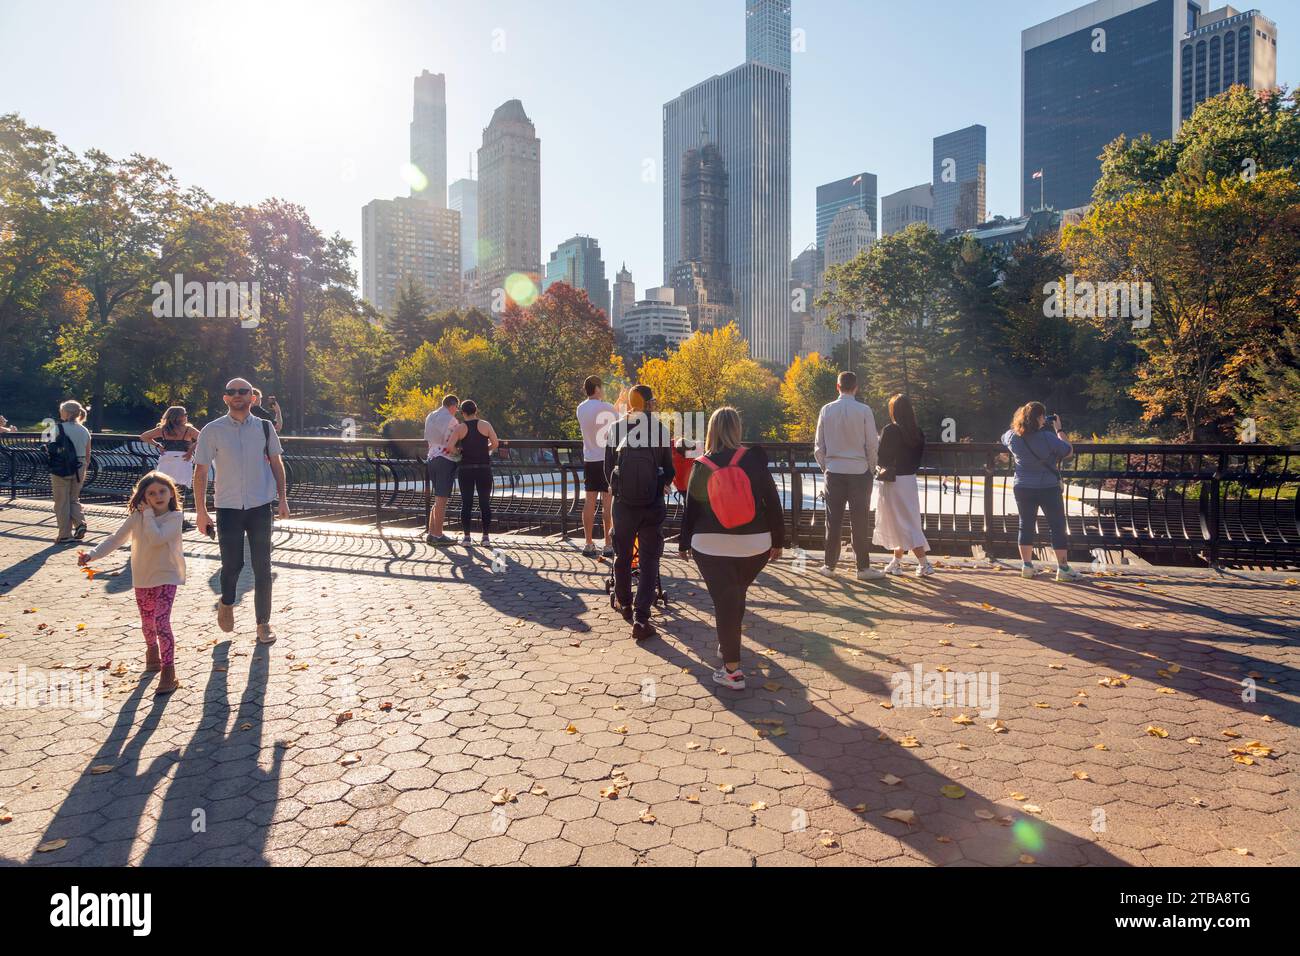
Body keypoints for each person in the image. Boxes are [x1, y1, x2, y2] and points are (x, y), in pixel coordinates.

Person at [680, 407, 785, 691]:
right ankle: (728, 645)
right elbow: (772, 501)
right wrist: (779, 540)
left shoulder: (701, 464)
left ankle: (732, 671)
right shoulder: (753, 459)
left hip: (709, 544)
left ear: (711, 430)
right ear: (737, 429)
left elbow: (691, 509)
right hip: (755, 543)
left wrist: (683, 542)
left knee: (726, 600)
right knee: (735, 594)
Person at [192, 378, 291, 644]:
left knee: (263, 567)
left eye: (243, 391)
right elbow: (200, 471)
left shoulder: (265, 427)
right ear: (225, 398)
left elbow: (276, 464)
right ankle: (226, 602)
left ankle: (263, 624)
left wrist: (282, 499)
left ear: (252, 398)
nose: (237, 395)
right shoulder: (212, 430)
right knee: (232, 565)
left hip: (260, 506)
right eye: (231, 392)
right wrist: (201, 511)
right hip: (228, 508)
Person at [78, 471, 185, 694]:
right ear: (144, 496)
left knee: (161, 621)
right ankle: (151, 653)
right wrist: (92, 555)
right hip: (143, 576)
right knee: (147, 622)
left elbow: (156, 539)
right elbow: (117, 538)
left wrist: (147, 516)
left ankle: (168, 671)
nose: (158, 496)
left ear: (171, 493)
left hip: (167, 575)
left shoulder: (175, 517)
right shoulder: (138, 516)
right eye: (152, 493)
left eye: (162, 491)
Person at [604, 384, 674, 642]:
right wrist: (659, 485)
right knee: (649, 560)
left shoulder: (615, 428)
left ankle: (625, 604)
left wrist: (620, 491)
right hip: (652, 505)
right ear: (649, 403)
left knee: (622, 556)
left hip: (622, 506)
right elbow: (669, 469)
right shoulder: (659, 430)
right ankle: (641, 618)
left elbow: (607, 469)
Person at [813, 372, 884, 580]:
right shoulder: (864, 410)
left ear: (838, 387)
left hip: (834, 471)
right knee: (860, 520)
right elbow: (872, 444)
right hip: (859, 471)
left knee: (833, 521)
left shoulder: (826, 410)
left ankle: (829, 565)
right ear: (856, 387)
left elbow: (819, 446)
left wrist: (826, 466)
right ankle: (862, 567)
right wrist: (871, 468)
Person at [1002, 401, 1083, 582]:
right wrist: (1059, 429)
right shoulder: (1048, 437)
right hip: (1048, 487)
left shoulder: (1013, 437)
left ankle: (1027, 566)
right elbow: (1068, 451)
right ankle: (1062, 568)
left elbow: (1003, 437)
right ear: (1040, 418)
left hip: (1022, 486)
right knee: (1057, 526)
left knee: (1026, 524)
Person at [873, 394, 934, 577]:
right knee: (904, 520)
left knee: (904, 523)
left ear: (894, 411)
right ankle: (896, 562)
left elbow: (881, 457)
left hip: (893, 481)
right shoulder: (918, 432)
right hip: (909, 480)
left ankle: (924, 564)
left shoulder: (891, 430)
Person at [576, 376, 617, 557]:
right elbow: (618, 422)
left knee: (589, 501)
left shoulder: (581, 408)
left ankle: (588, 543)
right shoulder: (608, 407)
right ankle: (608, 544)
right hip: (606, 460)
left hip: (589, 458)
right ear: (598, 388)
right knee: (607, 503)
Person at [449, 400, 499, 546]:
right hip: (483, 468)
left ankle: (466, 537)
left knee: (467, 503)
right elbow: (495, 443)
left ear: (463, 412)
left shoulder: (460, 428)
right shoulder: (486, 425)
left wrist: (460, 451)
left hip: (466, 469)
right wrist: (485, 449)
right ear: (476, 410)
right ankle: (485, 537)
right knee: (484, 503)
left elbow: (450, 446)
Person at [140, 406, 199, 526]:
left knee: (165, 489)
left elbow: (144, 436)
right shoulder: (188, 430)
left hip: (167, 460)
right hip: (183, 460)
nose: (186, 416)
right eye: (185, 414)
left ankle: (164, 517)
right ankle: (179, 519)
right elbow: (204, 438)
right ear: (179, 416)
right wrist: (190, 450)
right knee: (180, 490)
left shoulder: (163, 429)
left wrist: (158, 445)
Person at [49, 400, 92, 544]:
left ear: (66, 413)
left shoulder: (58, 428)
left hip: (62, 467)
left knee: (61, 501)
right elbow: (88, 454)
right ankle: (80, 523)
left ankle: (65, 535)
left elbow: (51, 449)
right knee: (73, 499)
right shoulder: (84, 430)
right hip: (80, 466)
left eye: (61, 411)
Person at [423, 394, 460, 545]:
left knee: (437, 499)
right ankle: (438, 535)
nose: (456, 411)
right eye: (456, 408)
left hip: (431, 458)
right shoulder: (452, 420)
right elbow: (453, 442)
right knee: (442, 500)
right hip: (445, 460)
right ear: (452, 406)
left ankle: (431, 533)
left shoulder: (430, 416)